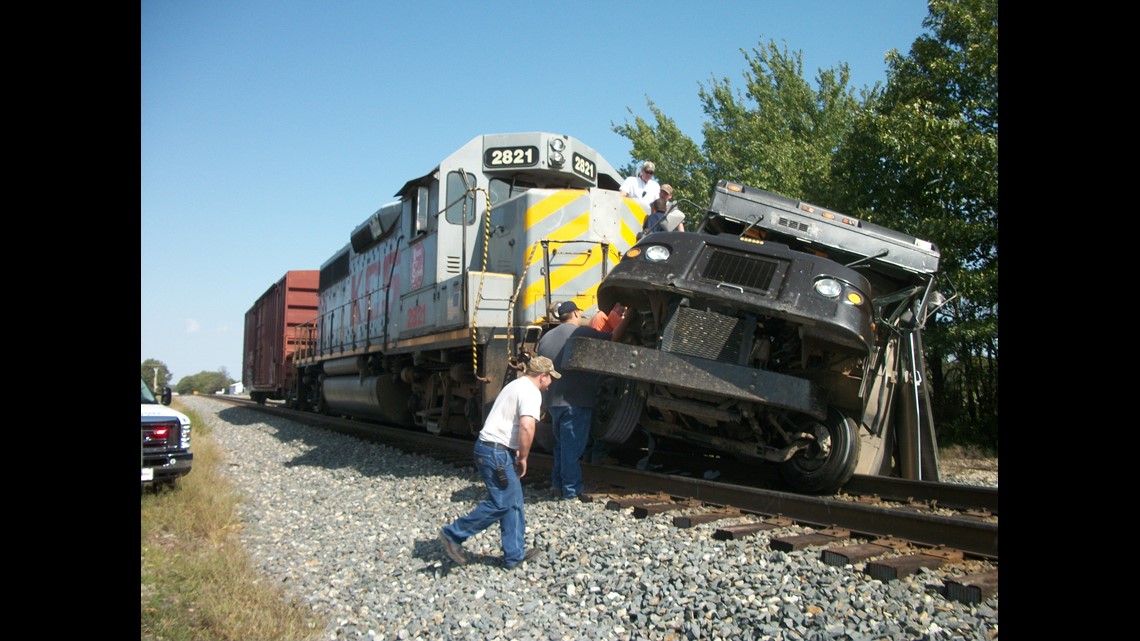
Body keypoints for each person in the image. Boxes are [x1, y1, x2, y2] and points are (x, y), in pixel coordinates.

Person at [438, 355, 560, 569]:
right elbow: (527, 427)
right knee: (502, 502)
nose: (551, 383)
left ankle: (514, 555)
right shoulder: (531, 392)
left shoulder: (516, 385)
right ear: (542, 376)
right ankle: (453, 534)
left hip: (493, 450)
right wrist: (523, 457)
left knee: (513, 502)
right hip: (495, 452)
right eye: (550, 378)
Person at [536, 300, 634, 499]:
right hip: (576, 401)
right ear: (575, 314)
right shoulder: (580, 333)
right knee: (572, 448)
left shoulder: (545, 338)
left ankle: (557, 485)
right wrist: (631, 316)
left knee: (561, 447)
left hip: (553, 401)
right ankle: (571, 491)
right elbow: (613, 337)